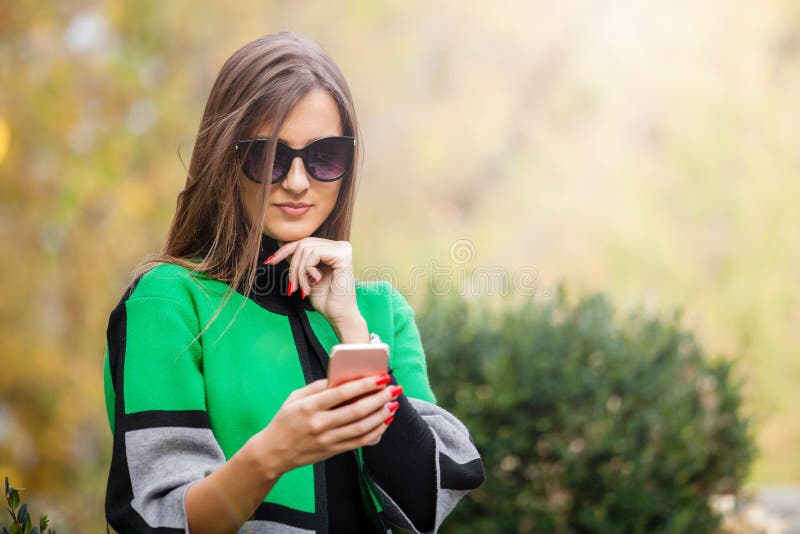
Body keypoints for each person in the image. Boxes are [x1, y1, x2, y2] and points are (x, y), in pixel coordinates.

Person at [102, 30, 484, 534]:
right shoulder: (168, 302)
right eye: (268, 157)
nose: (298, 182)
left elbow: (424, 506)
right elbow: (156, 517)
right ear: (225, 159)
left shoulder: (379, 313)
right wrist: (272, 454)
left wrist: (352, 331)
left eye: (325, 156)